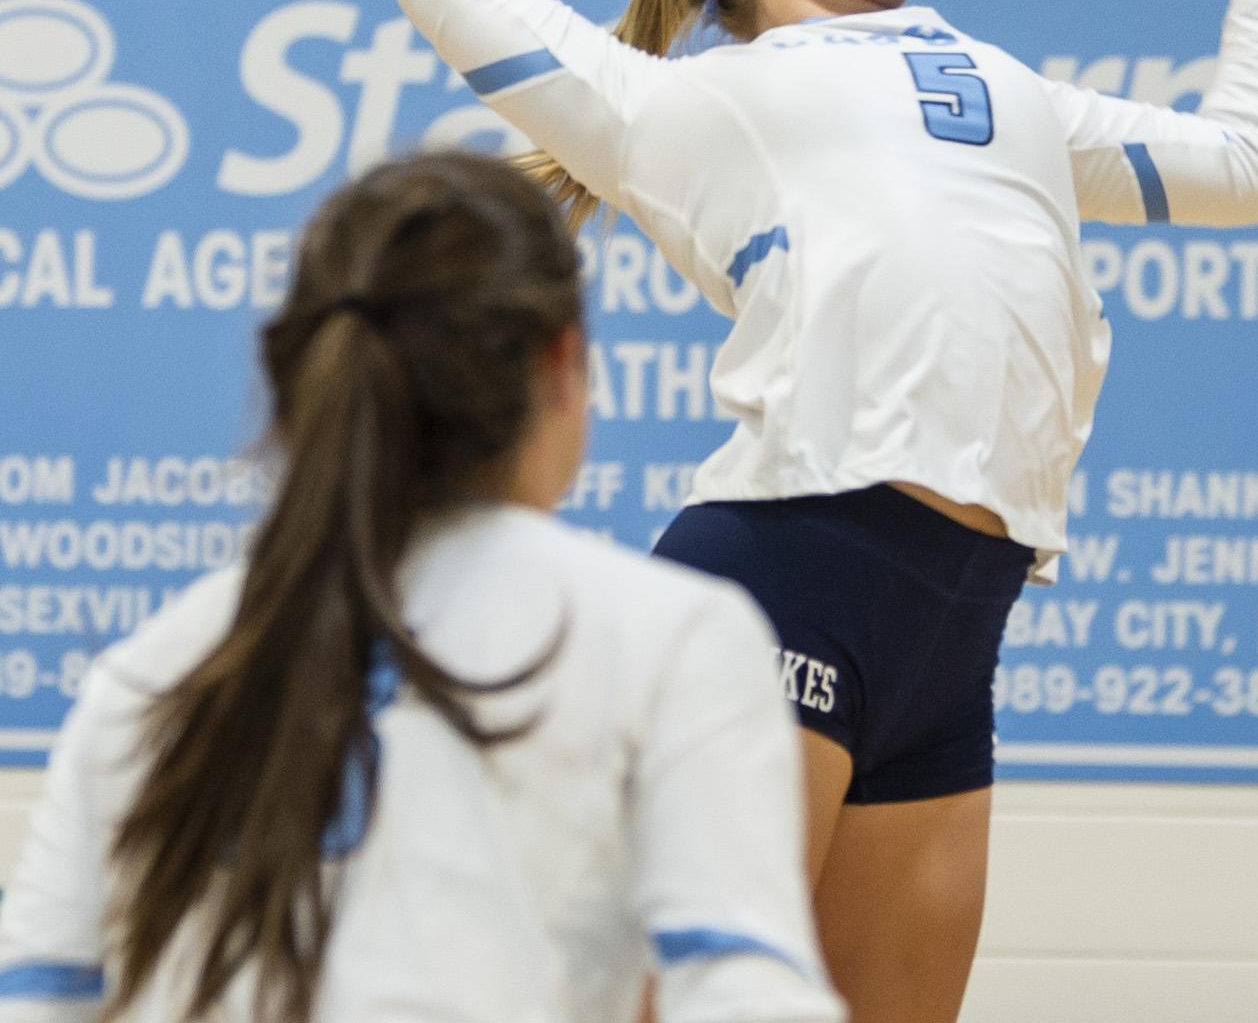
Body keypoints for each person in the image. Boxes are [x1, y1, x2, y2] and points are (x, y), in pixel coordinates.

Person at [380, 0, 1258, 1023]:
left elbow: (1247, 167)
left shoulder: (1012, 89)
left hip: (960, 614)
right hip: (789, 567)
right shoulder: (685, 103)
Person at [0, 151, 839, 1023]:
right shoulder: (673, 639)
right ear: (563, 364)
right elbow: (748, 999)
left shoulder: (152, 670)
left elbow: (36, 996)